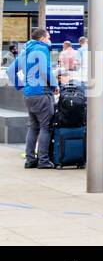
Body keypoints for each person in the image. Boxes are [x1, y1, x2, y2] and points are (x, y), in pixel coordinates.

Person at [20, 28, 57, 169]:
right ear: (42, 38)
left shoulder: (26, 49)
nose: (49, 39)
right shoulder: (42, 49)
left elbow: (12, 70)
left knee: (33, 127)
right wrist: (54, 85)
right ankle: (43, 160)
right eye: (48, 37)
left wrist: (23, 86)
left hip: (29, 93)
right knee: (45, 127)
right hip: (41, 93)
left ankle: (30, 160)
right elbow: (45, 70)